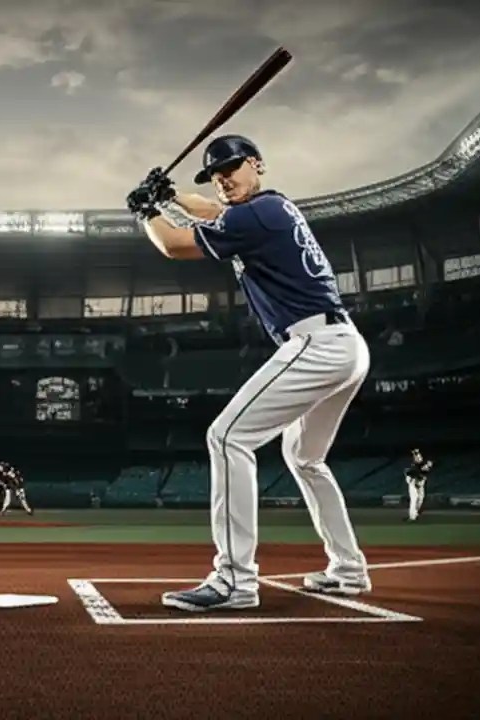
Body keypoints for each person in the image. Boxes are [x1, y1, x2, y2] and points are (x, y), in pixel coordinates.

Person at [126, 135, 372, 612]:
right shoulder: (267, 211)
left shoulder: (254, 212)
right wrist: (169, 196)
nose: (224, 177)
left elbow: (176, 245)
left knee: (226, 437)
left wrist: (145, 212)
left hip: (316, 345)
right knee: (303, 457)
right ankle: (348, 568)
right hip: (344, 345)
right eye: (217, 173)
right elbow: (209, 212)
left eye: (233, 167)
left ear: (257, 165)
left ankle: (235, 580)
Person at [404, 448, 433, 521]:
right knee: (414, 498)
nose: (418, 458)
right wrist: (415, 453)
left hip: (420, 483)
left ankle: (416, 513)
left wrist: (427, 466)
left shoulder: (423, 466)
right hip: (413, 482)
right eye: (417, 457)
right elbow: (413, 472)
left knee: (420, 499)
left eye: (419, 457)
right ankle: (412, 517)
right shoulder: (414, 466)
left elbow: (424, 471)